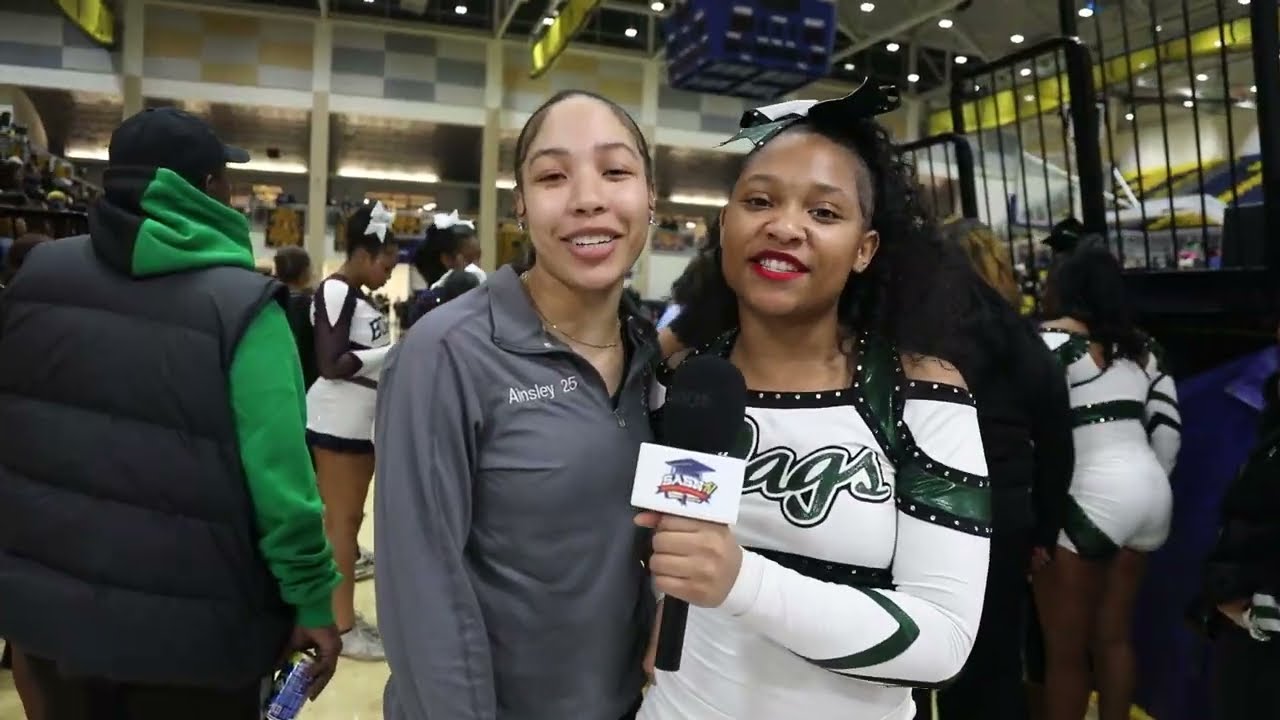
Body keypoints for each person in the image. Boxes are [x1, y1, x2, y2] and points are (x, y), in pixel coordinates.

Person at [636, 83, 991, 720]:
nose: (785, 226)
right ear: (726, 225)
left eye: (824, 213)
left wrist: (744, 581)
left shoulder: (920, 390)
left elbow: (944, 643)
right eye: (759, 201)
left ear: (865, 249)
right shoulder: (681, 379)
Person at [0, 107, 340, 719]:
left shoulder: (38, 277)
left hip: (46, 620)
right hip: (194, 644)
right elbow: (283, 489)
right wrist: (313, 603)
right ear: (208, 188)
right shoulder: (244, 309)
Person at [375, 89, 660, 720]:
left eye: (616, 171)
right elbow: (422, 589)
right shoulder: (447, 354)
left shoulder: (651, 356)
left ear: (650, 198)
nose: (588, 197)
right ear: (522, 208)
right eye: (554, 176)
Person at [928, 218, 1074, 720]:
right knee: (994, 665)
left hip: (928, 509)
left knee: (911, 657)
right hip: (1006, 517)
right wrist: (1044, 530)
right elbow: (1057, 443)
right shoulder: (1027, 342)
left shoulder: (914, 337)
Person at [1034, 244, 1180, 720]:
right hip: (1151, 491)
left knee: (1065, 654)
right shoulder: (1144, 349)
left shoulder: (1047, 341)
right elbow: (1170, 433)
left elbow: (1031, 435)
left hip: (1087, 495)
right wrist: (1147, 482)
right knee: (1114, 638)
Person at [306, 200, 400, 660]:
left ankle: (339, 615)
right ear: (364, 253)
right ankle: (340, 628)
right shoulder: (337, 291)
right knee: (340, 526)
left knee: (346, 523)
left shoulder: (356, 296)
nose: (388, 273)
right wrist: (394, 354)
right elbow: (331, 362)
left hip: (357, 422)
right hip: (338, 421)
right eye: (385, 263)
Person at [275, 246, 318, 389]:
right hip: (304, 379)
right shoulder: (309, 305)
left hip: (279, 374)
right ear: (304, 273)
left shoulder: (271, 301)